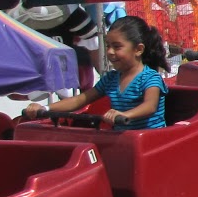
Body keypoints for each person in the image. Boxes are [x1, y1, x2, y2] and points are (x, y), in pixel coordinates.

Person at [24, 15, 169, 128]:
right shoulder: (111, 79)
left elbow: (150, 106)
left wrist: (125, 115)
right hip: (123, 141)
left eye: (117, 47)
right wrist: (45, 108)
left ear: (138, 49)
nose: (110, 52)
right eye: (108, 46)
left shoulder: (150, 78)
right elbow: (80, 100)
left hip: (148, 142)